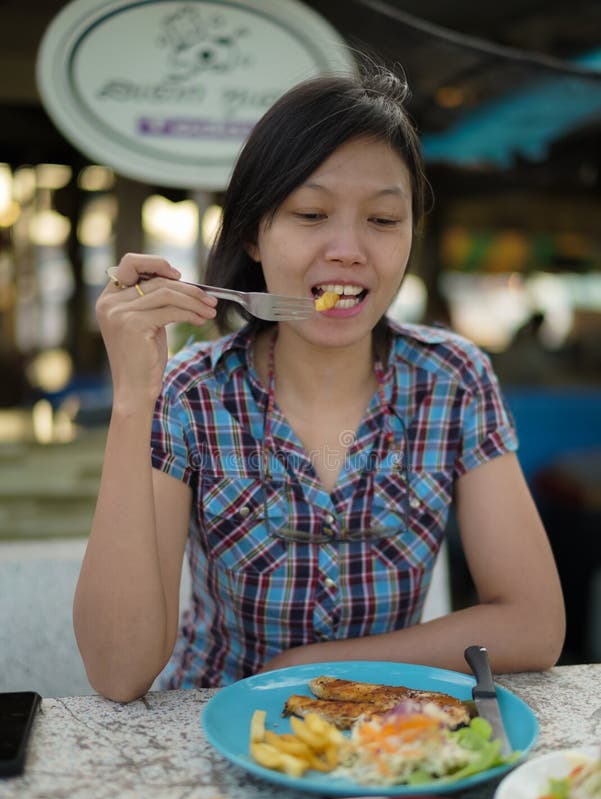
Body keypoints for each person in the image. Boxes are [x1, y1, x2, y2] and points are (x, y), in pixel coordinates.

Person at [74, 66, 565, 703]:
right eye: (310, 213)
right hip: (214, 737)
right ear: (253, 233)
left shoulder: (453, 381)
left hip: (389, 740)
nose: (348, 249)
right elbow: (118, 672)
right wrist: (135, 399)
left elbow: (534, 625)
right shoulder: (192, 394)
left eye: (384, 220)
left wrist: (313, 664)